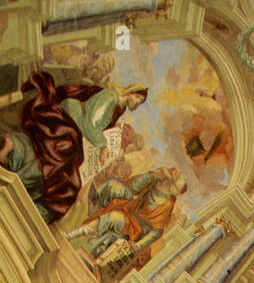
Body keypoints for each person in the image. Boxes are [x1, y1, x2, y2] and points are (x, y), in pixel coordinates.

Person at [0, 72, 148, 224]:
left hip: (79, 132)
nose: (137, 103)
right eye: (137, 98)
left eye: (140, 101)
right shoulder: (111, 97)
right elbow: (90, 123)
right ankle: (15, 153)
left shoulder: (119, 107)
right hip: (73, 119)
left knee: (71, 172)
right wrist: (103, 146)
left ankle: (38, 204)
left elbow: (100, 125)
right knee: (65, 155)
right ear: (131, 92)